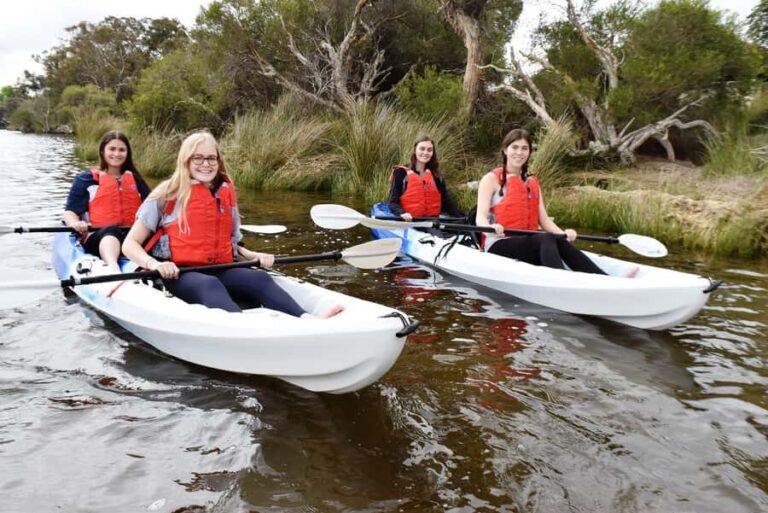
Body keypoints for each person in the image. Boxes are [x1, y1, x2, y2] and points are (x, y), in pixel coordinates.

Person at [122, 130, 343, 317]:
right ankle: (244, 329)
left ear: (218, 161)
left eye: (211, 158)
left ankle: (307, 319)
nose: (205, 164)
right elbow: (130, 244)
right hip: (178, 273)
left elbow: (232, 246)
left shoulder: (225, 194)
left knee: (260, 279)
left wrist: (252, 256)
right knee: (208, 285)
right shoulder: (165, 195)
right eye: (197, 158)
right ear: (185, 161)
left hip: (221, 267)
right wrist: (155, 264)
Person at [476, 128, 638, 277]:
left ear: (530, 152)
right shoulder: (491, 179)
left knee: (554, 238)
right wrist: (490, 229)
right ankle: (561, 279)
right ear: (505, 150)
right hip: (499, 243)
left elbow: (544, 220)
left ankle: (604, 279)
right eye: (515, 147)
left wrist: (564, 235)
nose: (519, 152)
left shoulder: (531, 181)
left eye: (524, 148)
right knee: (547, 238)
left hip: (528, 241)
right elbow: (480, 217)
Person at [63, 131, 151, 271]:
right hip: (98, 236)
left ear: (127, 153)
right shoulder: (86, 179)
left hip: (131, 237)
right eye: (112, 149)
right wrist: (75, 223)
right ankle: (112, 267)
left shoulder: (135, 180)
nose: (116, 154)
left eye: (121, 150)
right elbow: (70, 212)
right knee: (111, 229)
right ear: (103, 151)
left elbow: (152, 210)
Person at [387, 135, 464, 221]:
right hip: (410, 221)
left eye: (429, 150)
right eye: (422, 149)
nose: (426, 153)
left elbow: (446, 203)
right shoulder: (401, 173)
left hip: (432, 221)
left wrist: (463, 217)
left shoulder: (436, 175)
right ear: (415, 150)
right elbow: (392, 202)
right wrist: (401, 213)